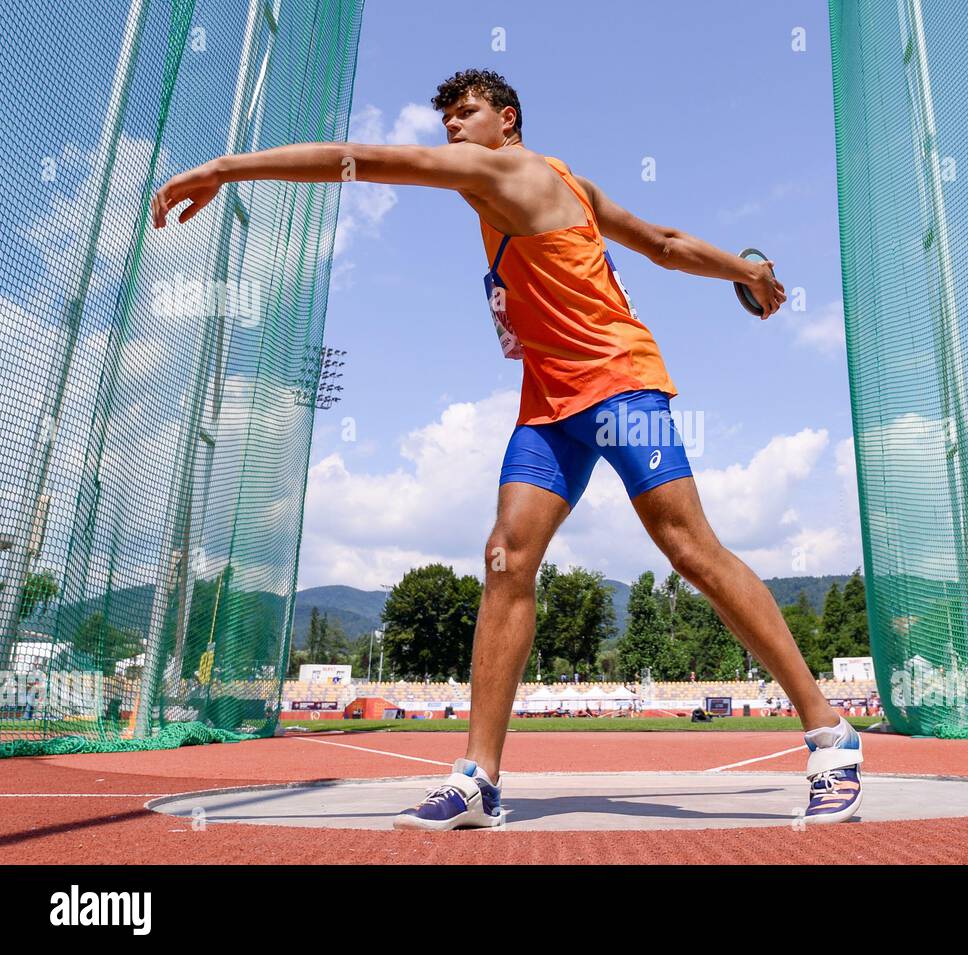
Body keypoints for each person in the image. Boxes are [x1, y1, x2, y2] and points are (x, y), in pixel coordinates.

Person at [151, 67, 864, 831]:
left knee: (689, 546)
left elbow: (354, 160)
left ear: (507, 120)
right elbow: (662, 243)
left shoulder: (498, 167)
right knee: (506, 557)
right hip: (551, 402)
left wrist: (228, 167)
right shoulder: (572, 184)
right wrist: (746, 269)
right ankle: (477, 779)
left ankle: (830, 732)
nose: (453, 130)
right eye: (448, 119)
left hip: (619, 381)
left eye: (466, 114)